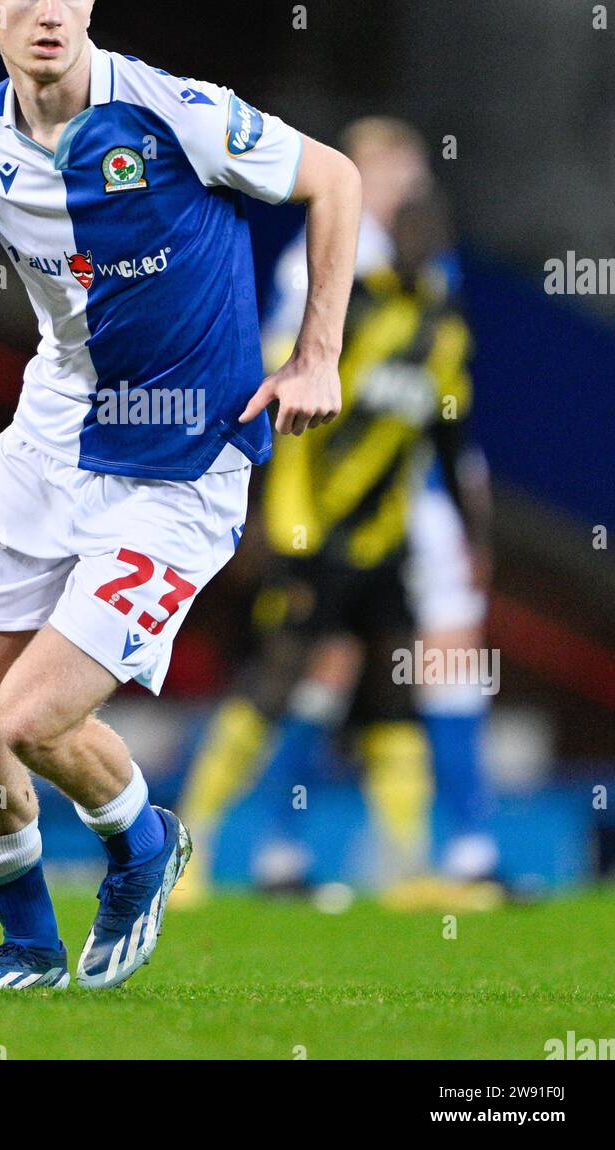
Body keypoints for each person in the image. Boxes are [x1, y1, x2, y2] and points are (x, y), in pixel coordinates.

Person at [0, 0, 361, 989]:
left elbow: (333, 180)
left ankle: (144, 845)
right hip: (50, 438)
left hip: (181, 465)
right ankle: (26, 942)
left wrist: (316, 356)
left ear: (93, 2)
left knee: (33, 715)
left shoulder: (172, 113)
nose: (51, 13)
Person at [176, 180, 495, 903]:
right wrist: (264, 517)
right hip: (312, 537)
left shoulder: (445, 329)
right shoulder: (351, 309)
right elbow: (285, 399)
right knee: (274, 685)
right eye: (404, 233)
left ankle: (408, 869)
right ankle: (188, 846)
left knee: (392, 698)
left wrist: (476, 535)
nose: (415, 247)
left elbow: (449, 435)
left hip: (386, 547)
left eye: (427, 237)